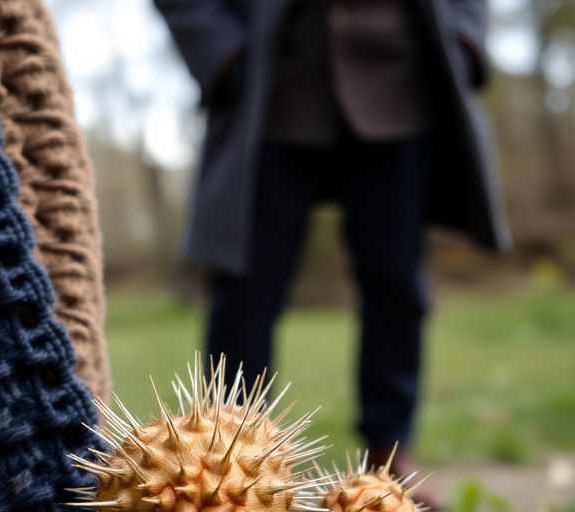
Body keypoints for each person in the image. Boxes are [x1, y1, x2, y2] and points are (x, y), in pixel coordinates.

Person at [155, 0, 510, 508]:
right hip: (270, 91)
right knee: (244, 290)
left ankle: (391, 451)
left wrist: (463, 39)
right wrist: (222, 53)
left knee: (396, 284)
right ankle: (219, 459)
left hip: (398, 89)